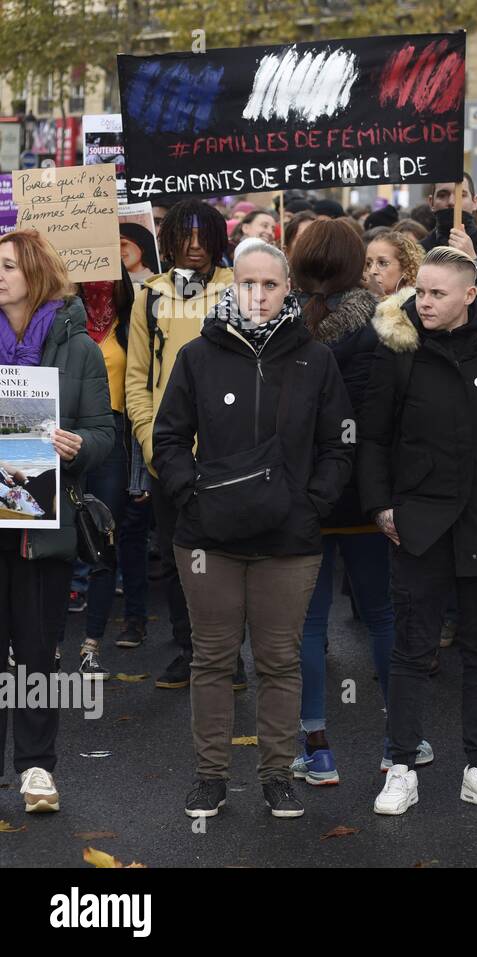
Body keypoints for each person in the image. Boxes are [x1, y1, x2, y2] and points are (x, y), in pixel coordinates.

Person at [153, 239, 352, 820]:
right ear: (230, 287)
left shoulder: (317, 360)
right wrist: (190, 494)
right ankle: (211, 777)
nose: (259, 295)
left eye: (270, 284)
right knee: (212, 660)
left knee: (278, 661)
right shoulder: (198, 355)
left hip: (288, 541)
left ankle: (276, 777)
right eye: (248, 283)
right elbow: (168, 437)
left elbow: (339, 442)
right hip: (208, 539)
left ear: (288, 288)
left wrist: (312, 503)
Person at [357, 246, 477, 817]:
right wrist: (380, 507)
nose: (426, 302)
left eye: (439, 293)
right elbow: (370, 437)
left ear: (471, 295)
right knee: (413, 648)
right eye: (421, 292)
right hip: (418, 522)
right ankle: (401, 765)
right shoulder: (397, 348)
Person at [287, 218, 406, 784]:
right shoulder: (384, 325)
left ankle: (316, 746)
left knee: (308, 625)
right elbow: (386, 418)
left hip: (304, 494)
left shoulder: (282, 328)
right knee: (382, 614)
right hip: (365, 492)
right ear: (357, 263)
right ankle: (399, 739)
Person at [0, 230, 114, 815]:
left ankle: (37, 769)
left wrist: (78, 446)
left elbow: (104, 434)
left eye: (9, 267)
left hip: (43, 527)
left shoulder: (79, 348)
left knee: (39, 653)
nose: (0, 276)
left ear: (37, 274)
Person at [124, 199, 235, 692]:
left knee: (227, 559)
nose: (193, 246)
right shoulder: (150, 296)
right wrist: (152, 444)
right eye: (183, 236)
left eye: (202, 235)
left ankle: (227, 658)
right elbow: (136, 381)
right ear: (167, 241)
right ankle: (188, 650)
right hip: (168, 456)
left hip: (231, 456)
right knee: (176, 560)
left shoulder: (240, 290)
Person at [74, 268, 151, 678]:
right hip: (65, 436)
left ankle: (91, 645)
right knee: (58, 541)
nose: (97, 284)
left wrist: (141, 469)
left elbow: (142, 390)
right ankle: (47, 645)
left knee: (102, 541)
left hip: (115, 440)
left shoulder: (132, 322)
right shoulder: (61, 321)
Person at [364, 229, 423, 299]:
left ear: (405, 267)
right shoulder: (356, 303)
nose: (372, 271)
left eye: (382, 263)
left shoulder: (419, 302)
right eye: (368, 264)